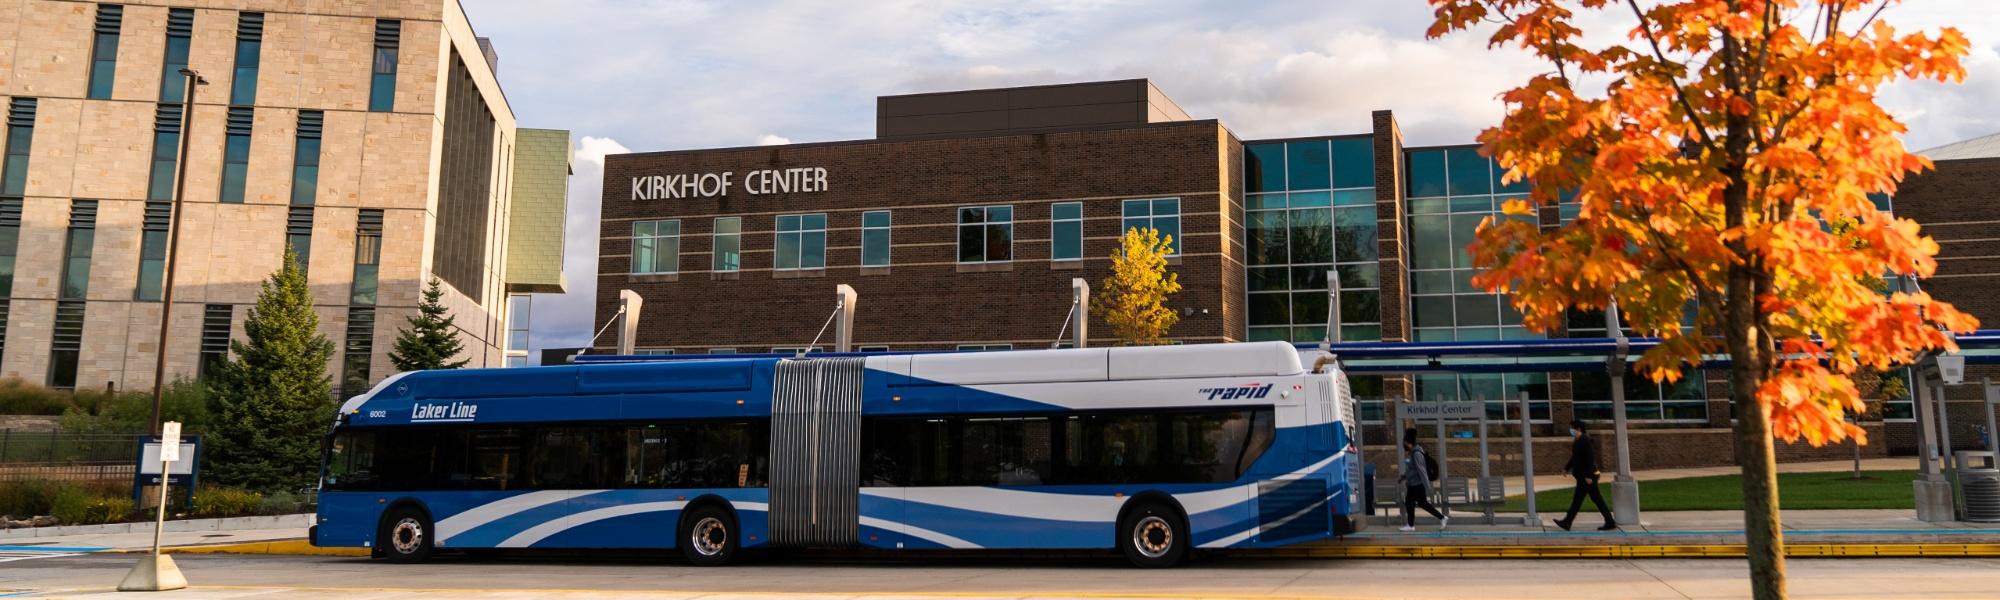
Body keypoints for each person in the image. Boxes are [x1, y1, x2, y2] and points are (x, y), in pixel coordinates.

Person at [1556, 420, 1618, 531]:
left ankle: (1567, 522)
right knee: (1596, 499)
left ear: (1578, 428)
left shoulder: (1585, 440)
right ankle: (1610, 521)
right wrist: (1566, 468)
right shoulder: (1578, 440)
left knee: (1577, 499)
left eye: (1572, 428)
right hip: (1584, 476)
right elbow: (1575, 457)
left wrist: (1589, 475)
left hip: (1587, 476)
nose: (1571, 430)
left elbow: (1590, 458)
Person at [1399, 429, 1447, 532]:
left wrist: (1428, 486)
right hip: (1413, 484)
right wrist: (1403, 477)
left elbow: (1422, 471)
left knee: (1416, 503)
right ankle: (1412, 524)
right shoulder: (1413, 453)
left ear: (1409, 443)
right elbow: (1412, 470)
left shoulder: (1417, 454)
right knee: (1415, 503)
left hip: (1417, 485)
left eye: (1405, 443)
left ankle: (1441, 518)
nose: (1404, 446)